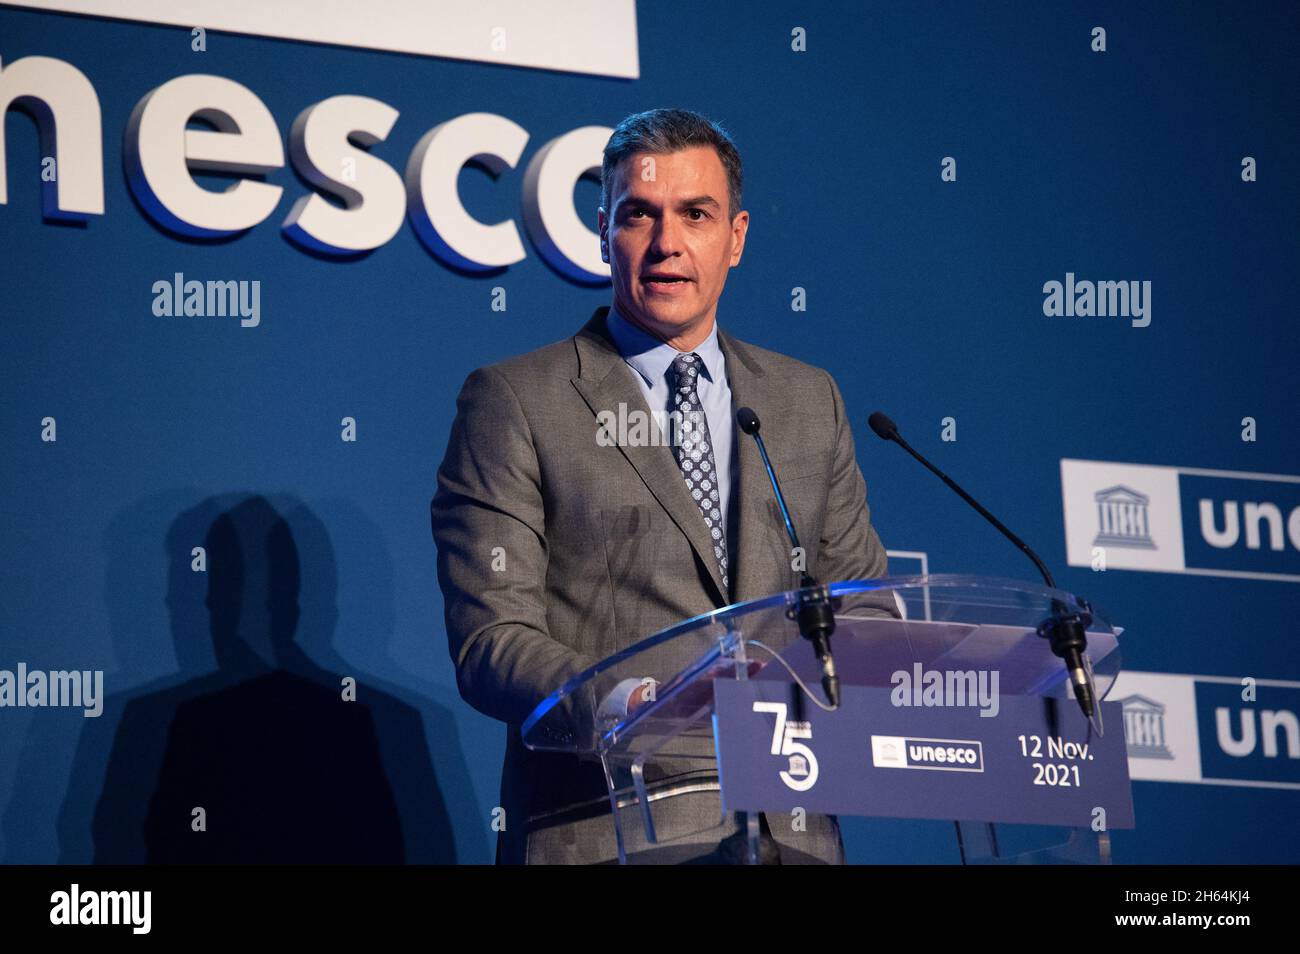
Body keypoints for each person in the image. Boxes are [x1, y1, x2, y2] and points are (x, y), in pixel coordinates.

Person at [431, 108, 890, 864]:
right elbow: (492, 639)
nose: (667, 243)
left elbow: (858, 606)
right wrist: (625, 706)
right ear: (603, 228)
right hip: (613, 830)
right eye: (641, 214)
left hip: (794, 834)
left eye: (696, 214)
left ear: (735, 238)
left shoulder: (808, 403)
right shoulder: (517, 401)